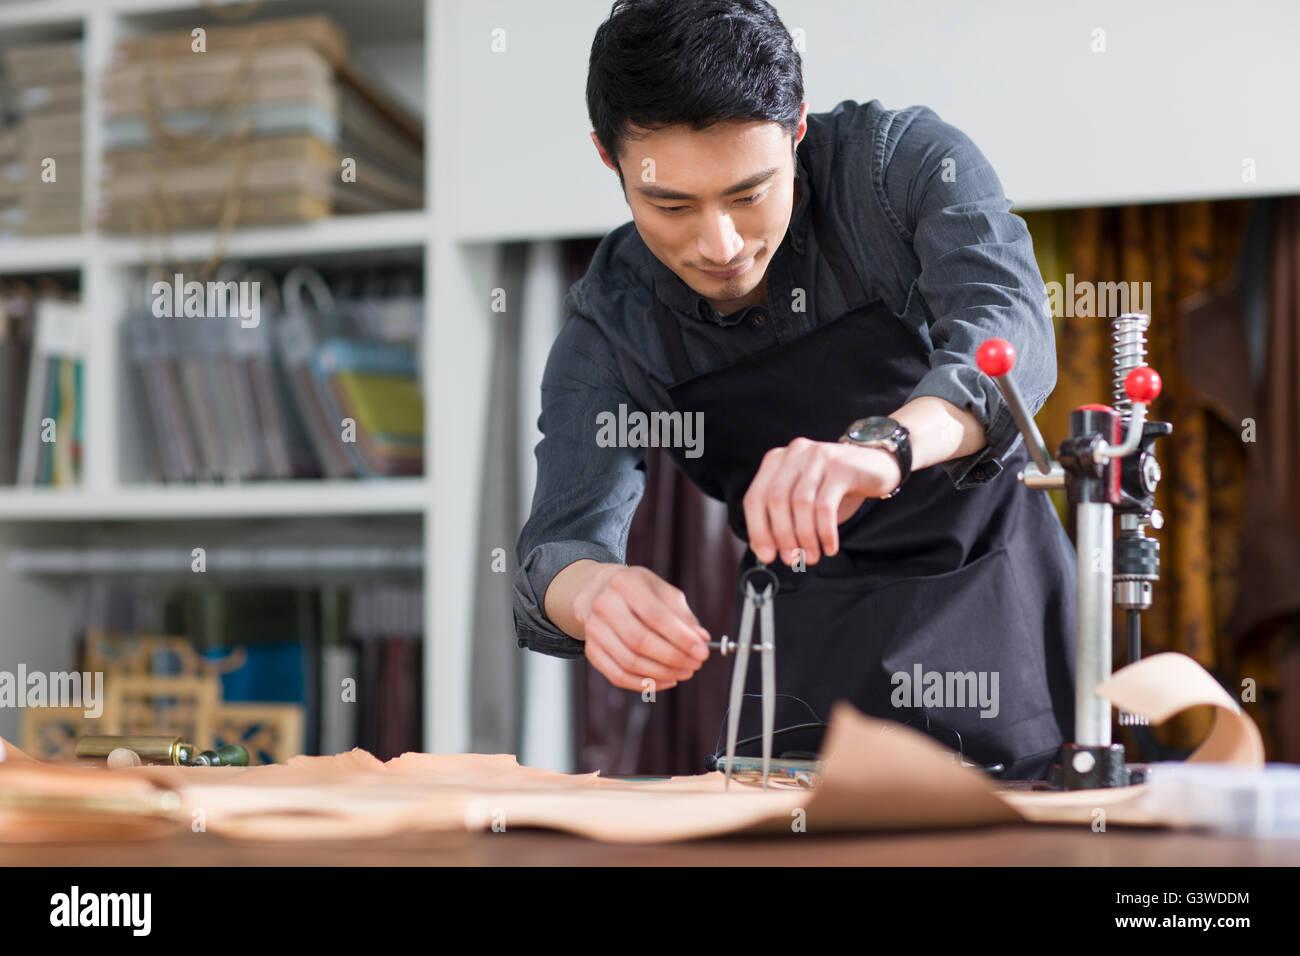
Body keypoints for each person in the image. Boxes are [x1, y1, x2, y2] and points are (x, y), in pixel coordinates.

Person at [513, 0, 1077, 779]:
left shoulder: (899, 168)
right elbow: (555, 548)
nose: (721, 246)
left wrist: (887, 444)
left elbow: (1007, 332)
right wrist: (596, 593)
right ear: (611, 160)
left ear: (798, 126)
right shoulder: (614, 322)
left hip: (994, 607)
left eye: (750, 193)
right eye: (670, 205)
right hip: (800, 645)